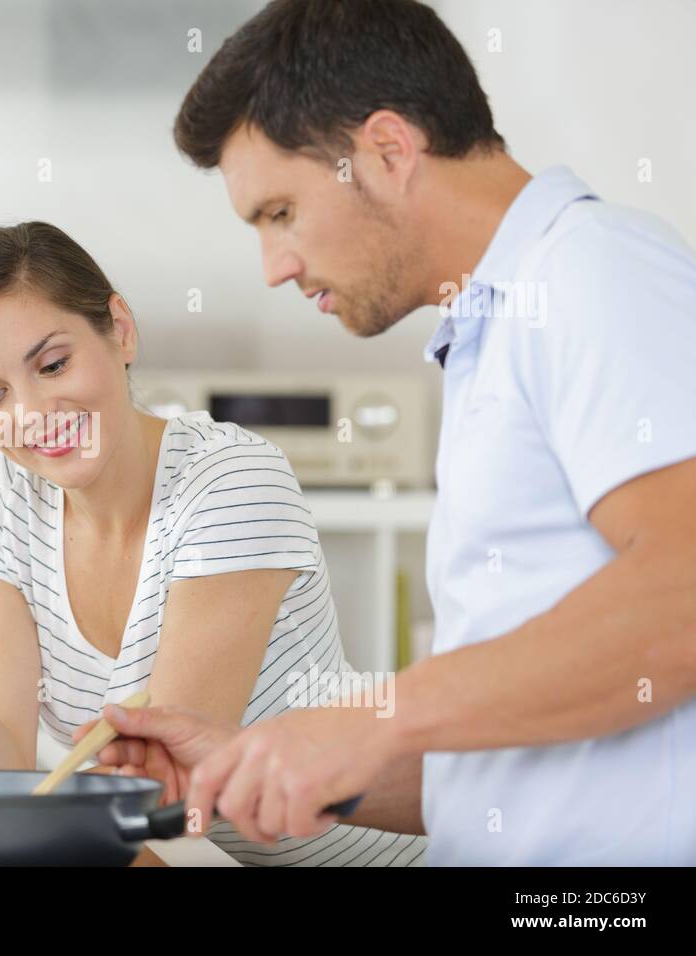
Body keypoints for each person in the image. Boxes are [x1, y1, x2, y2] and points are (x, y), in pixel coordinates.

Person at [79, 0, 696, 865]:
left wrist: (374, 717)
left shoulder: (592, 270)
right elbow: (513, 759)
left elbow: (685, 592)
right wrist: (288, 762)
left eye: (280, 213)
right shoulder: (490, 330)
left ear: (388, 150)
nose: (274, 267)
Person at [0, 219, 426, 865]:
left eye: (53, 364)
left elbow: (161, 810)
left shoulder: (229, 483)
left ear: (121, 329)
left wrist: (17, 835)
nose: (32, 414)